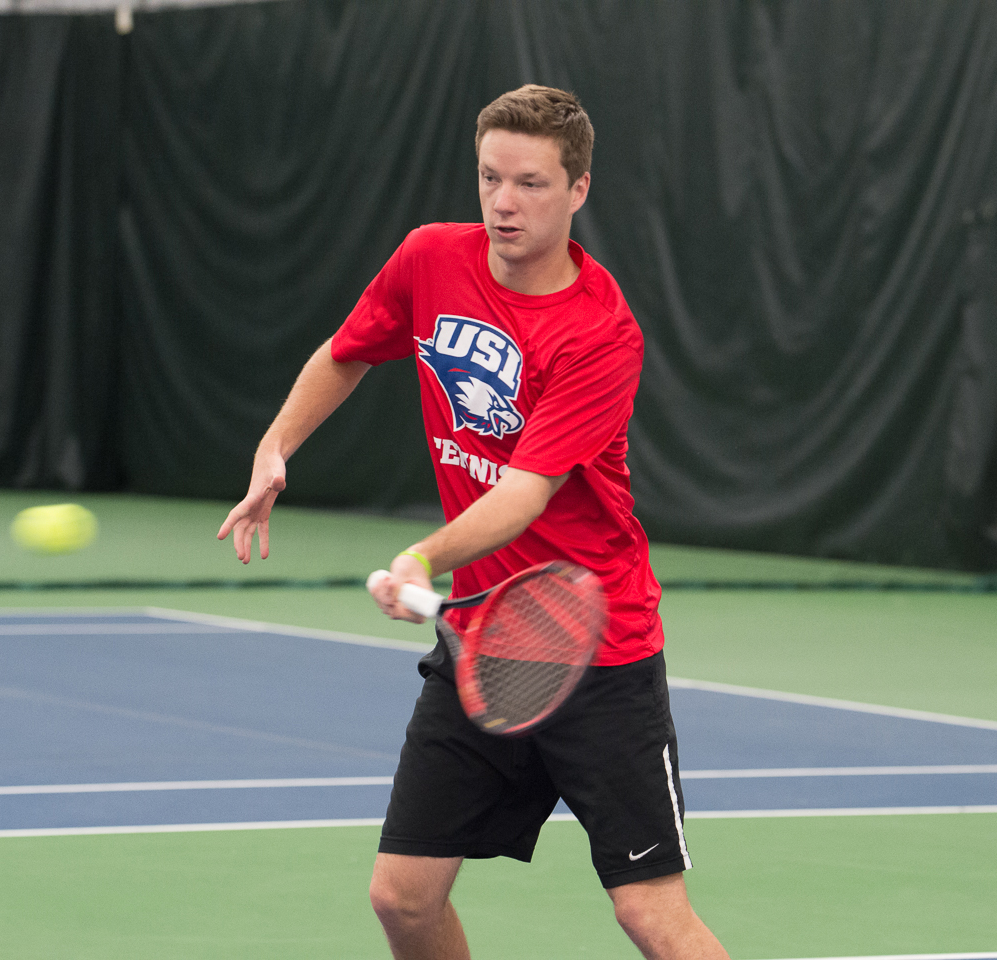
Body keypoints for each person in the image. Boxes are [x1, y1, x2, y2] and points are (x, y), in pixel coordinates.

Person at [219, 84, 728, 960]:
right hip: (481, 643)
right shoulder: (429, 259)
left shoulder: (601, 332)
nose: (503, 202)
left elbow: (523, 494)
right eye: (491, 177)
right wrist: (276, 447)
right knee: (403, 900)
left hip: (597, 649)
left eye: (531, 183)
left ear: (578, 191)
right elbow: (346, 351)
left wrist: (421, 553)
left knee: (650, 916)